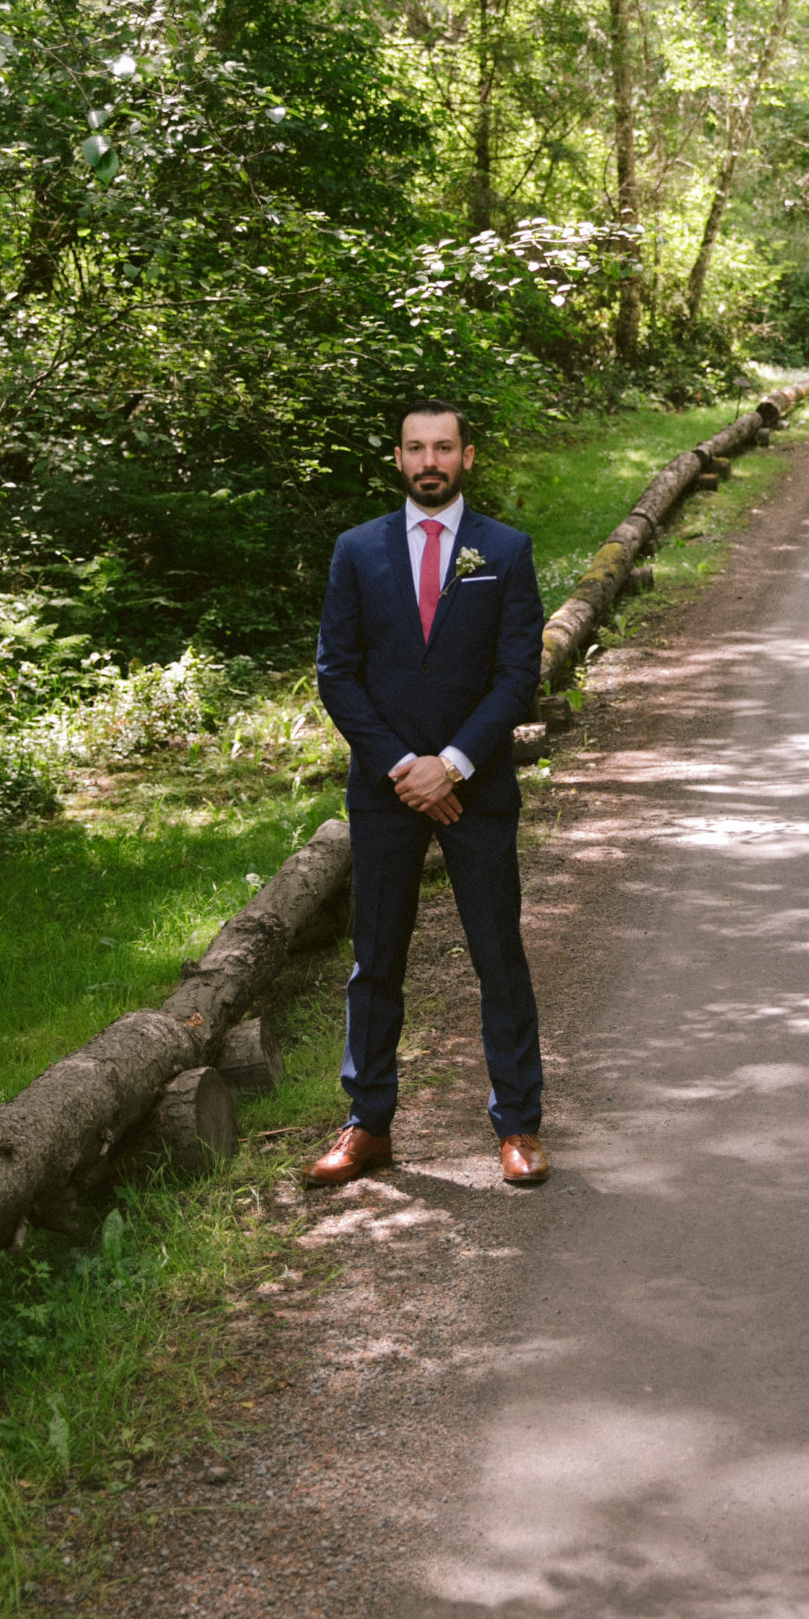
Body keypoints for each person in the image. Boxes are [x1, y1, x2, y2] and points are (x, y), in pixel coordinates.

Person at [311, 398, 549, 1190]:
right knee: (376, 958)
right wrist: (404, 770)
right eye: (416, 449)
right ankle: (367, 1124)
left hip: (475, 787)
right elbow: (336, 673)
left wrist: (451, 763)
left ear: (467, 456)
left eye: (443, 448)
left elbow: (518, 676)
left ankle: (518, 1126)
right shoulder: (356, 551)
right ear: (398, 457)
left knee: (498, 956)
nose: (429, 462)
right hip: (386, 791)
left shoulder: (505, 553)